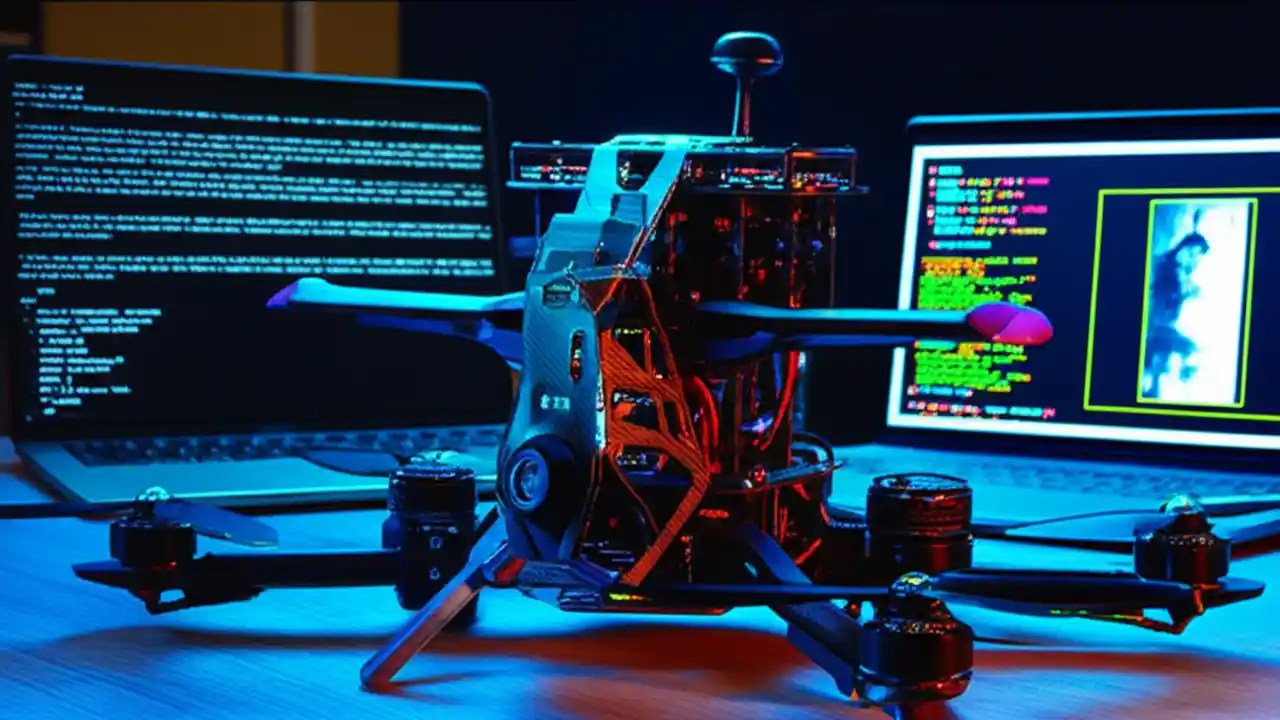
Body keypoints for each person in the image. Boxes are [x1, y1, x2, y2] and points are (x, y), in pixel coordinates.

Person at [1142, 230, 1209, 399]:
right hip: (1154, 328)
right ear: (1183, 247)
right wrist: (1182, 292)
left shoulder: (1180, 272)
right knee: (1191, 351)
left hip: (1161, 329)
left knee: (1155, 373)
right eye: (1191, 253)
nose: (1192, 260)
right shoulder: (1162, 265)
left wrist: (1186, 293)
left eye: (1196, 257)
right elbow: (1158, 303)